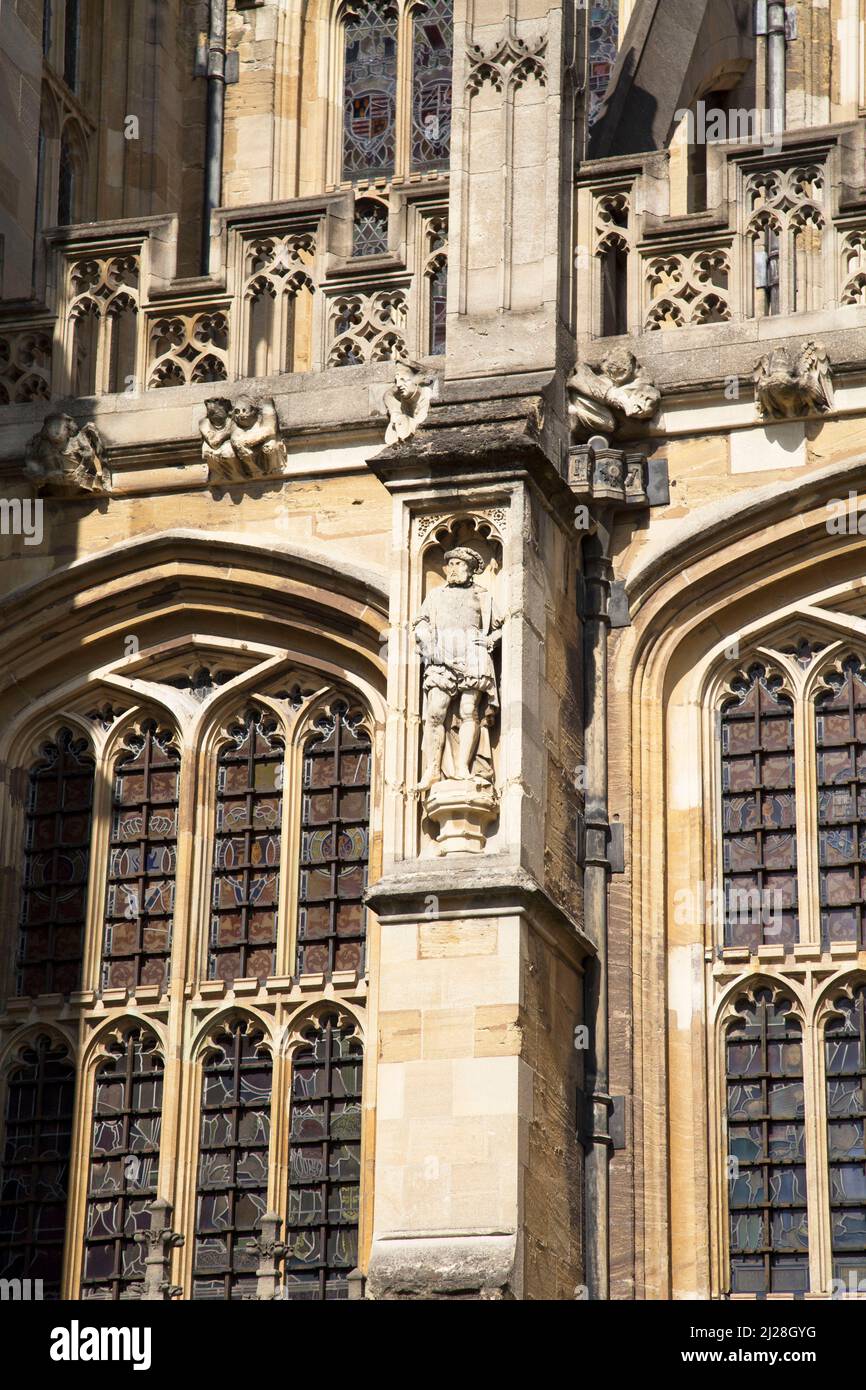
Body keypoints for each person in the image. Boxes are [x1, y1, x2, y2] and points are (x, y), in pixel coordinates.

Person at [413, 547, 502, 789]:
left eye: (458, 564)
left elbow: (502, 625)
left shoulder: (482, 595)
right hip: (442, 655)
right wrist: (427, 642)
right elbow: (421, 623)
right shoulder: (435, 596)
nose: (452, 568)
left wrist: (492, 640)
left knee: (468, 710)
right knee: (435, 712)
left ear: (471, 569)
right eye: (450, 563)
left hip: (474, 654)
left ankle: (463, 766)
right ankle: (432, 769)